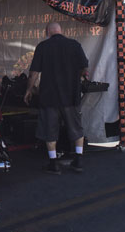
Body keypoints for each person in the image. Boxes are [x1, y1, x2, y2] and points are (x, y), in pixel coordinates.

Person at [24, 22, 89, 175]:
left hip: (49, 97)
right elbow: (84, 68)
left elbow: (34, 73)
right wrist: (76, 77)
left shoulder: (43, 47)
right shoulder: (75, 45)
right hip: (71, 96)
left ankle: (53, 163)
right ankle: (78, 160)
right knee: (76, 128)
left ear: (47, 32)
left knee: (50, 130)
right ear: (61, 31)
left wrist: (29, 90)